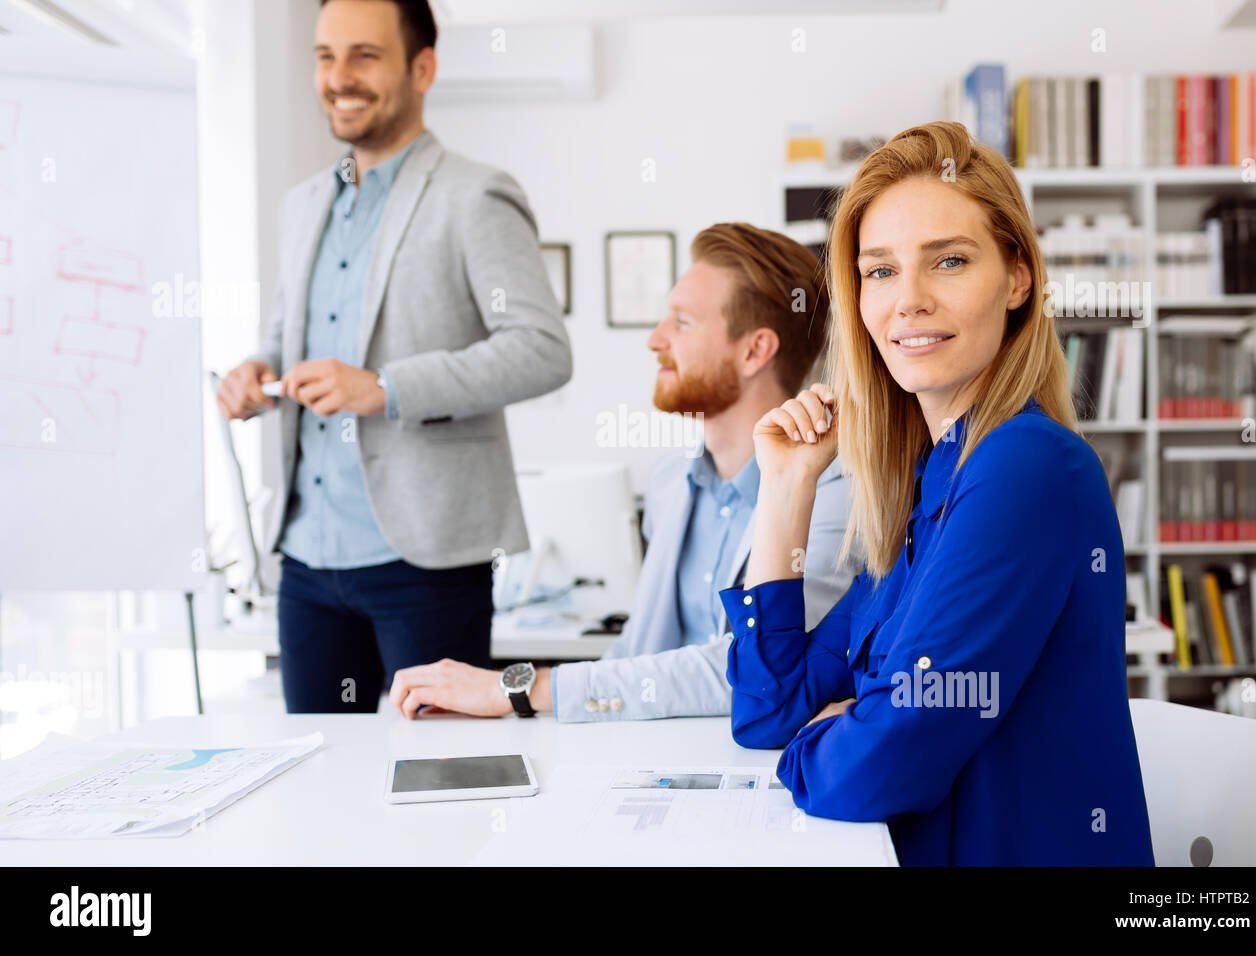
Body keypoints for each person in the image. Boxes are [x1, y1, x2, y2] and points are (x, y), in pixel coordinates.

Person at [720, 121, 1154, 866]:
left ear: (1018, 278)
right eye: (880, 271)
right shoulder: (934, 483)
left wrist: (829, 738)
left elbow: (885, 761)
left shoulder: (1025, 470)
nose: (908, 301)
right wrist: (787, 487)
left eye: (948, 261)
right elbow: (770, 709)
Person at [216, 0, 571, 713]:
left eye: (364, 56)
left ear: (422, 68)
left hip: (427, 558)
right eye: (324, 56)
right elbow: (286, 334)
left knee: (442, 783)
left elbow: (541, 351)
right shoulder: (303, 204)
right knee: (319, 778)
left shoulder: (475, 195)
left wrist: (385, 387)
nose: (338, 77)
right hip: (307, 559)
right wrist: (255, 372)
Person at [389, 223, 859, 722]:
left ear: (754, 351)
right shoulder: (670, 484)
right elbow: (639, 655)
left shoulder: (834, 493)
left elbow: (752, 670)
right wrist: (514, 702)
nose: (656, 340)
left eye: (681, 322)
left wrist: (521, 687)